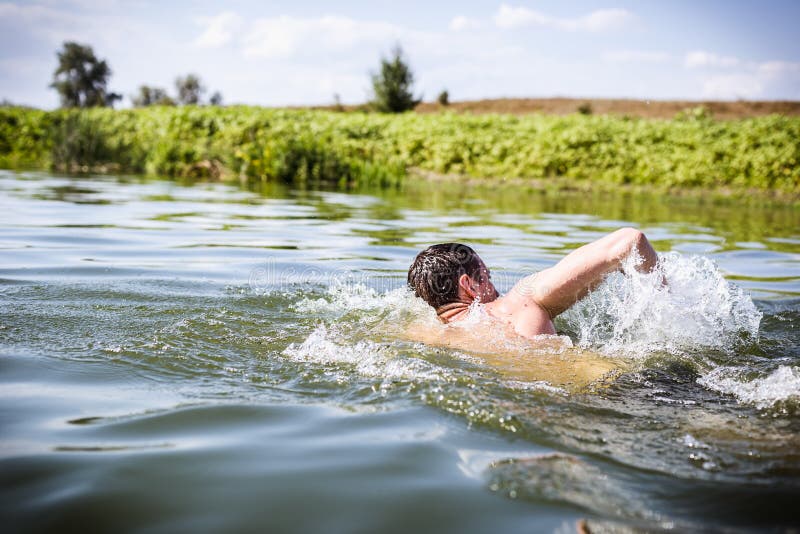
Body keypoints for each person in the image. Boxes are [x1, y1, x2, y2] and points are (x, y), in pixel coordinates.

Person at [407, 228, 660, 340]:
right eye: (487, 277)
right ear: (469, 286)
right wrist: (670, 315)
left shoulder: (421, 334)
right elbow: (629, 242)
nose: (495, 289)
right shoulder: (519, 303)